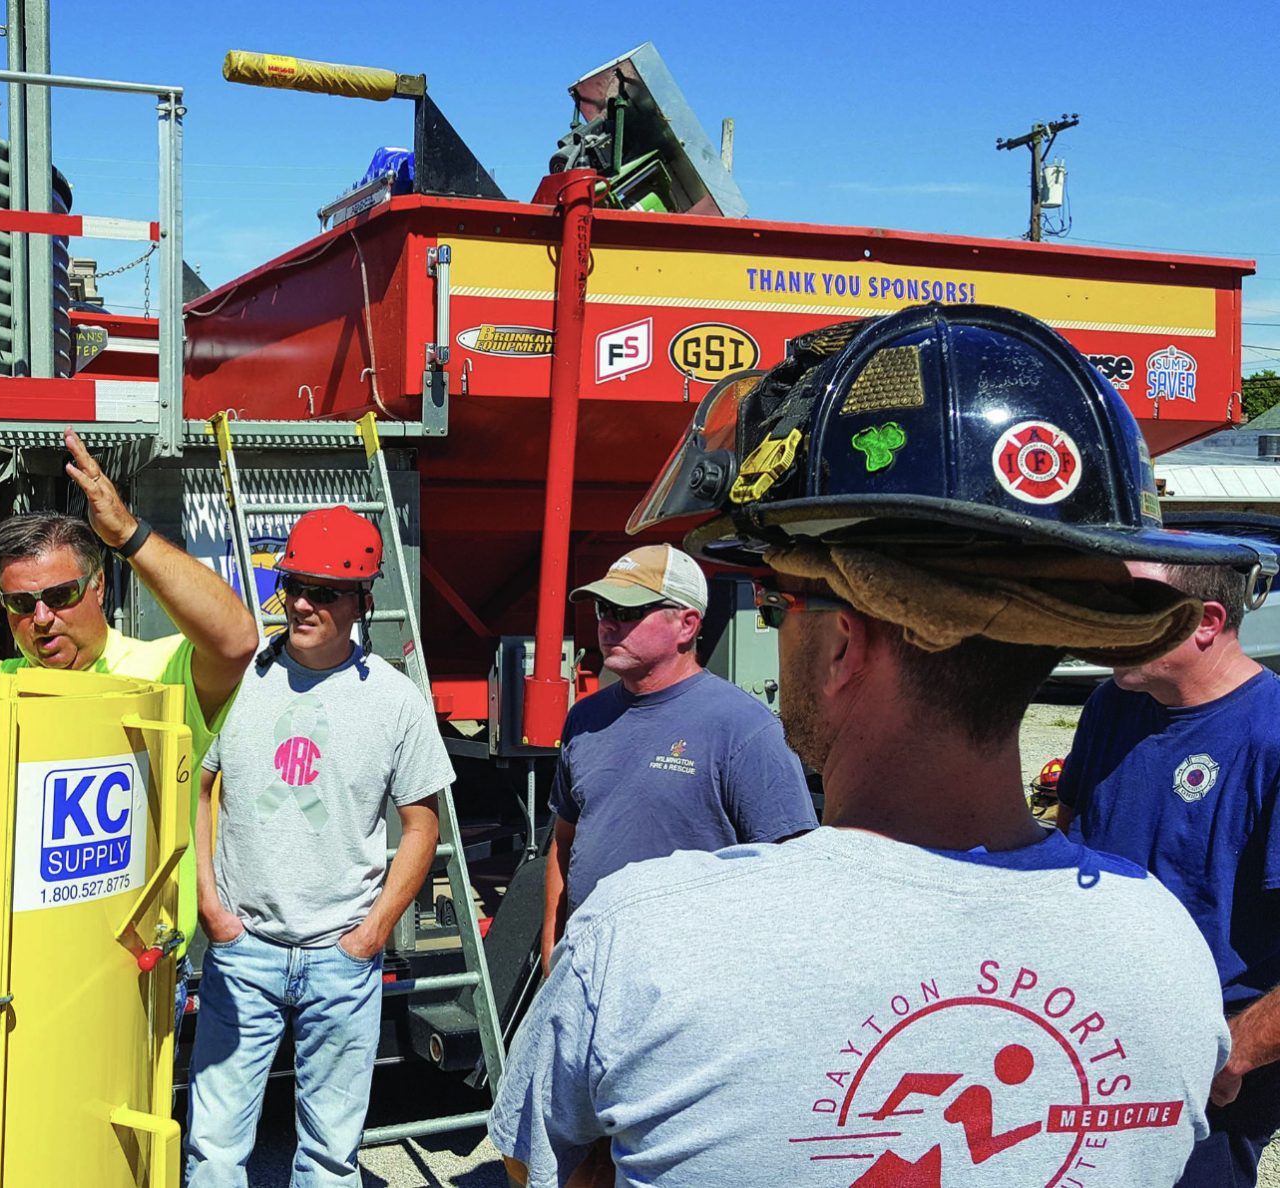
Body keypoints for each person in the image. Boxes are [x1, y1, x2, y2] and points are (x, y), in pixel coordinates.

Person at [490, 303, 1272, 1186]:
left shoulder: (642, 941)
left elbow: (539, 1171)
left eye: (783, 605)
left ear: (843, 646)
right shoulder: (1164, 953)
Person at [183, 506, 451, 1188]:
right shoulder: (238, 678)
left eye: (324, 591)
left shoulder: (395, 702)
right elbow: (199, 789)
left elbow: (423, 824)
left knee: (330, 1159)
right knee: (212, 1150)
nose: (300, 602)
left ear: (363, 601)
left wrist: (371, 933)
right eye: (292, 584)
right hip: (245, 952)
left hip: (341, 960)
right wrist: (213, 910)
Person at [0, 426, 260, 954]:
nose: (41, 619)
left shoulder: (159, 673)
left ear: (98, 586)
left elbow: (237, 640)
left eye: (60, 595)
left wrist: (128, 533)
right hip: (23, 962)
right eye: (19, 603)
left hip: (134, 973)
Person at [1057, 560, 1280, 1186]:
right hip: (1084, 1038)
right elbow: (1070, 837)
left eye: (1130, 609)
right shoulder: (1113, 706)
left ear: (1207, 622)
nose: (1105, 627)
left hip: (1205, 1074)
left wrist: (1236, 1055)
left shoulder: (1271, 735)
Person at [540, 542, 815, 967]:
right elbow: (564, 845)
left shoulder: (746, 730)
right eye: (603, 610)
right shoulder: (585, 718)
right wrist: (551, 963)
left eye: (628, 611)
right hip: (586, 978)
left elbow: (793, 882)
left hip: (687, 988)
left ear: (686, 625)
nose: (609, 624)